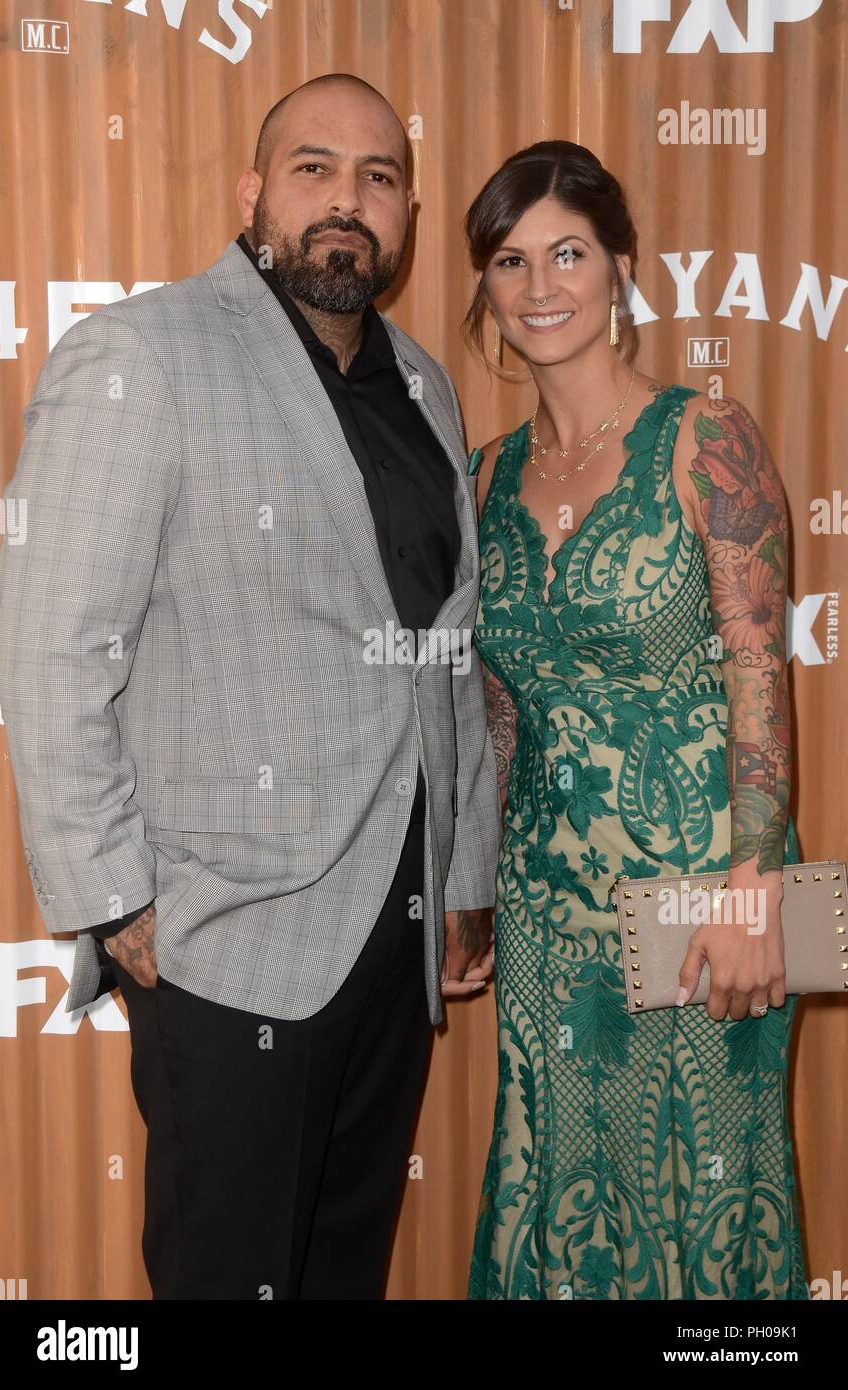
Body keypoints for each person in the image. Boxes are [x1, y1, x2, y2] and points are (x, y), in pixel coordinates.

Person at [0, 73, 499, 1300]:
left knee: (342, 1270)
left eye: (378, 178)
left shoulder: (426, 386)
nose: (347, 201)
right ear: (253, 195)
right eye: (314, 169)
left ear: (408, 217)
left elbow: (450, 647)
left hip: (396, 933)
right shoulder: (142, 354)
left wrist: (465, 873)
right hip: (227, 940)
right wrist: (112, 897)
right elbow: (54, 643)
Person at [462, 140, 807, 1300]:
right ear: (488, 292)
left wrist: (755, 886)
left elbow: (762, 668)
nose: (540, 286)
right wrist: (478, 892)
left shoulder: (706, 437)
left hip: (703, 908)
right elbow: (503, 714)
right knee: (556, 1199)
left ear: (619, 269)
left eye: (567, 253)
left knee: (706, 1206)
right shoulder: (484, 476)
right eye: (510, 262)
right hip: (550, 916)